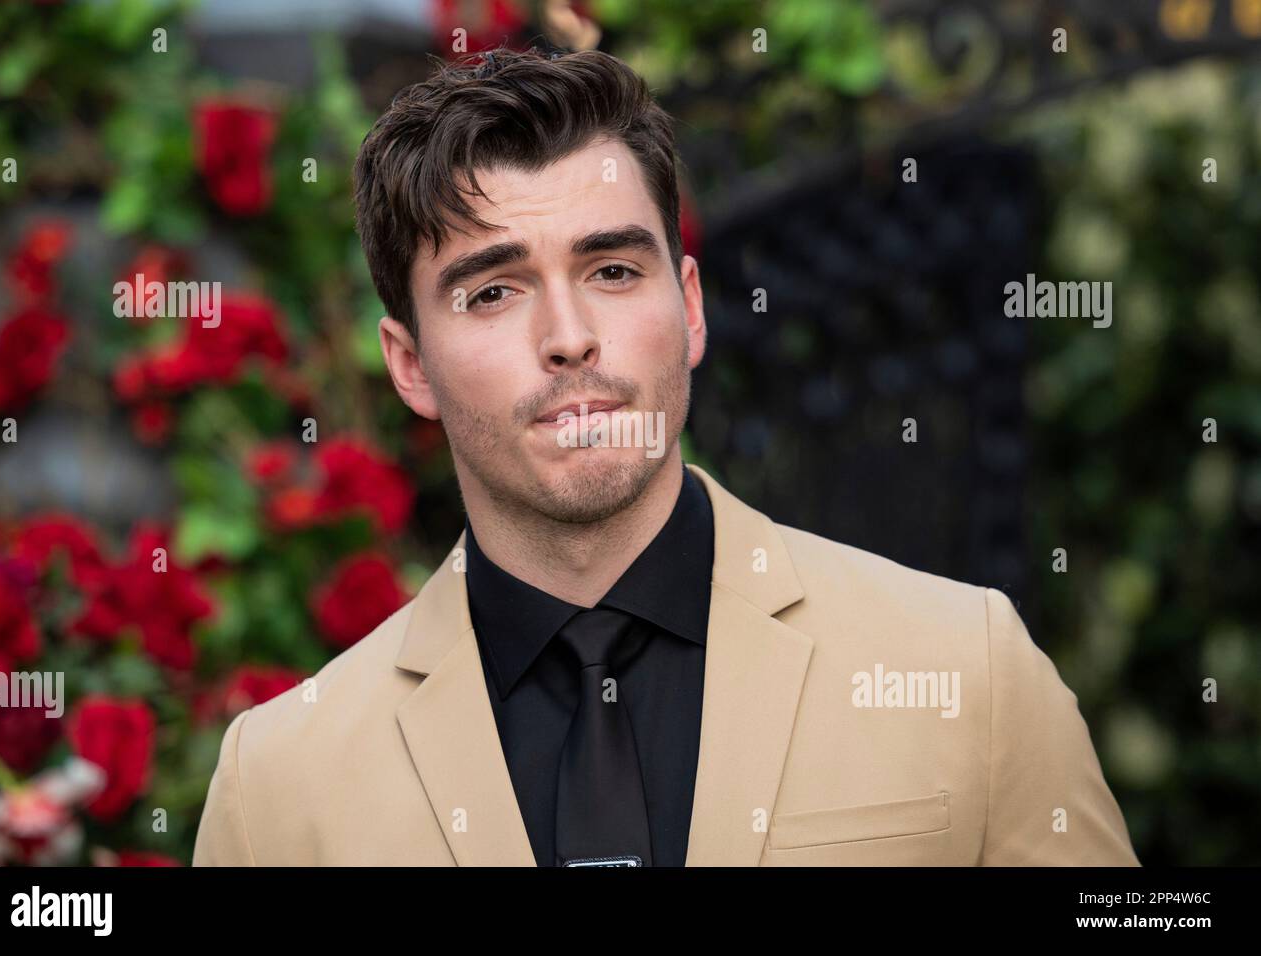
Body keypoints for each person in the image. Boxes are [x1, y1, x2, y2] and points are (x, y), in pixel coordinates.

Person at [193, 46, 1138, 867]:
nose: (568, 337)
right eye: (492, 291)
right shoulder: (278, 785)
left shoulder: (967, 669)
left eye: (611, 270)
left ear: (689, 307)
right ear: (410, 367)